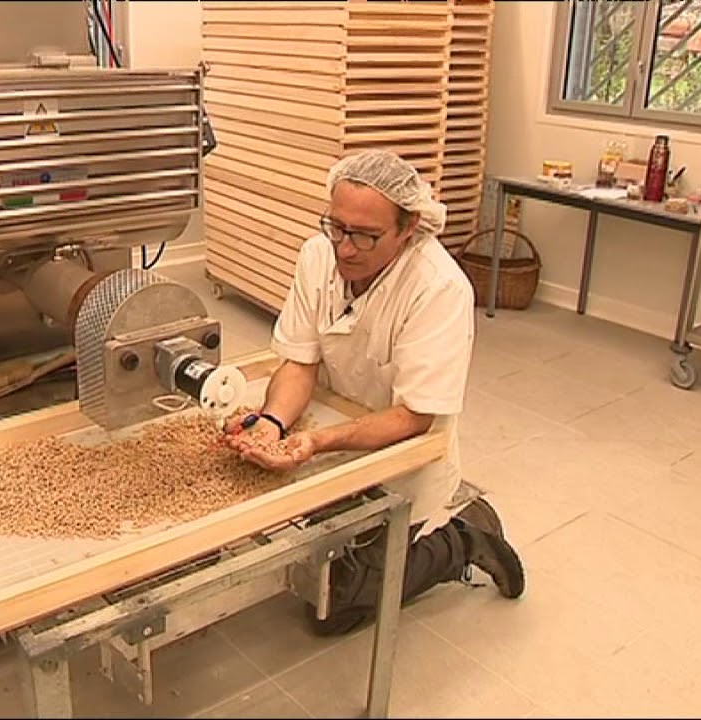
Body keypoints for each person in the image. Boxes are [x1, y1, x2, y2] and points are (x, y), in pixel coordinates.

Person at [223, 149, 525, 636]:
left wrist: (315, 443)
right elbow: (300, 359)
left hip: (400, 450)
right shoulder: (317, 254)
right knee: (313, 552)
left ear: (409, 228)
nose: (345, 248)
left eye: (365, 235)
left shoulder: (439, 288)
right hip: (335, 423)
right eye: (336, 227)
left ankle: (467, 537)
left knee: (338, 608)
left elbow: (413, 418)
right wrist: (274, 424)